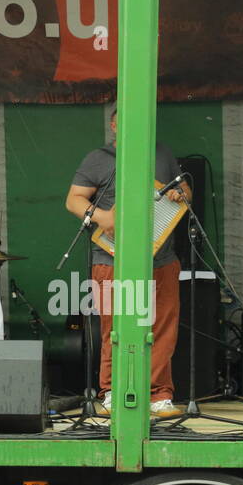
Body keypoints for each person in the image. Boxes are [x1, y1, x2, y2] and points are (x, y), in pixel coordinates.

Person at [65, 106, 189, 419]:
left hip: (161, 258)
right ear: (114, 125)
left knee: (162, 328)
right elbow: (74, 199)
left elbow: (184, 189)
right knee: (114, 327)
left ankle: (159, 396)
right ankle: (110, 393)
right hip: (111, 257)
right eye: (126, 121)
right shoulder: (98, 158)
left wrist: (181, 193)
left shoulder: (162, 153)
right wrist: (102, 216)